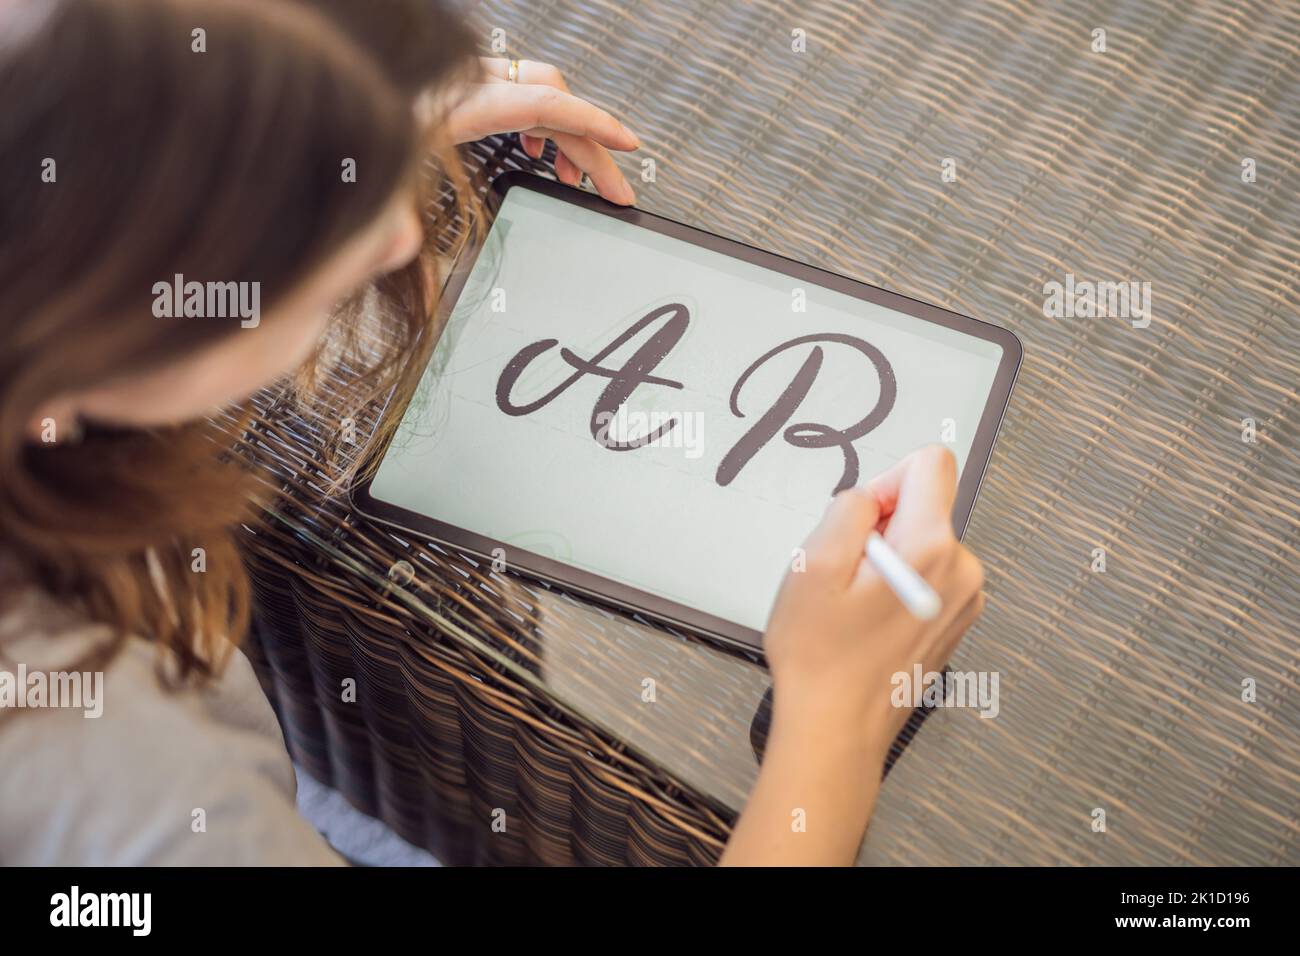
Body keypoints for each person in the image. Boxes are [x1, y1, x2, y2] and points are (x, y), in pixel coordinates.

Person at [0, 0, 983, 866]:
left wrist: (335, 110)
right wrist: (834, 720)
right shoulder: (133, 792)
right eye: (302, 235)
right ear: (99, 312)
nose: (400, 234)